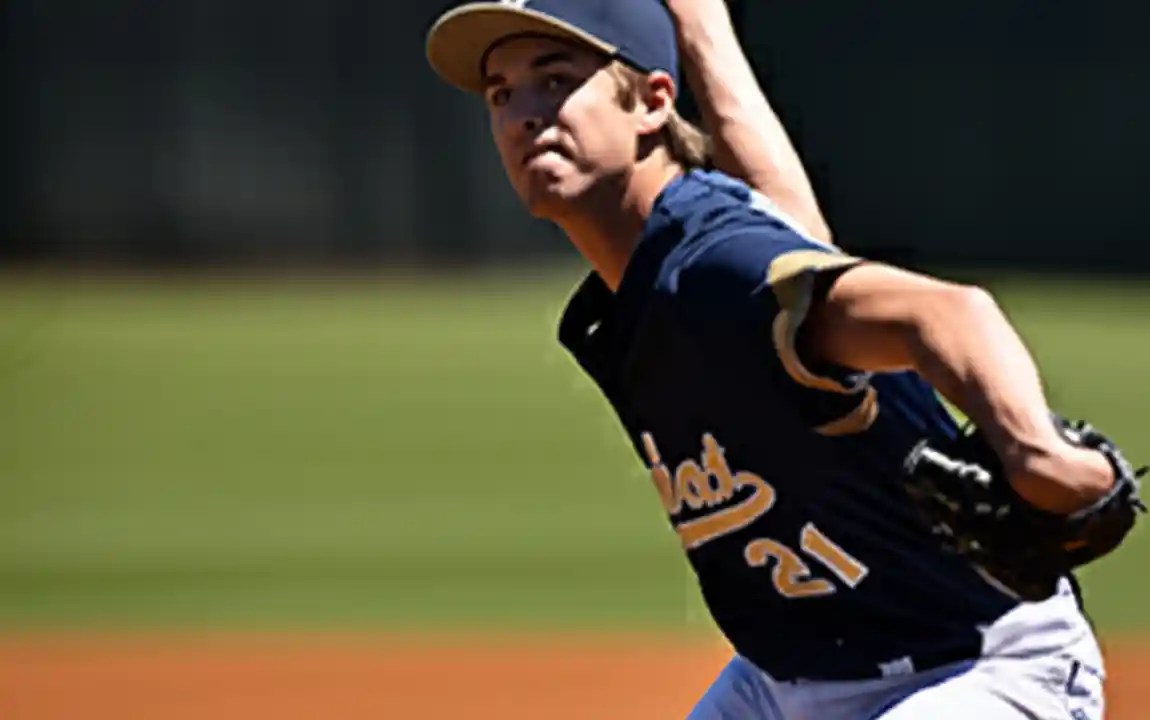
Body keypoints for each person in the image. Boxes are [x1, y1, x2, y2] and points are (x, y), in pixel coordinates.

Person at [425, 1, 1114, 717]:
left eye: (556, 80)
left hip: (973, 666)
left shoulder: (714, 262)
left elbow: (947, 312)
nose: (525, 115)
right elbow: (794, 230)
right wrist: (702, 25)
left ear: (653, 103)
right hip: (783, 681)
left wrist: (1037, 455)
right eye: (501, 93)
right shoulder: (660, 276)